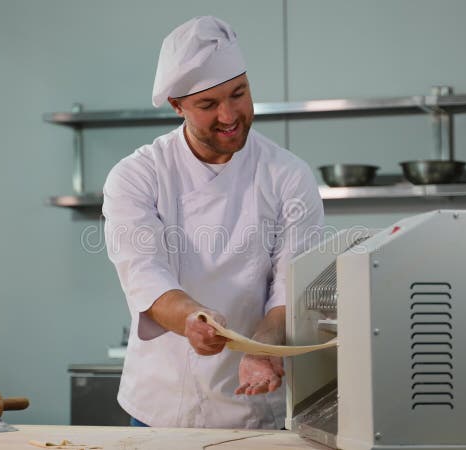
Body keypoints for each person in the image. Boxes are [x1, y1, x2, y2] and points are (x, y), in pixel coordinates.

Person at [102, 16, 323, 429]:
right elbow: (144, 275)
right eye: (207, 105)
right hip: (160, 408)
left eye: (238, 94)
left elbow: (292, 285)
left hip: (256, 405)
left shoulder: (288, 175)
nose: (229, 115)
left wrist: (263, 348)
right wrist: (192, 318)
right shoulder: (137, 176)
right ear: (178, 106)